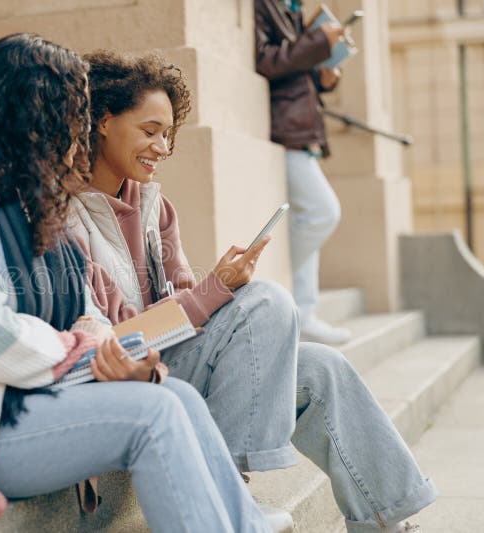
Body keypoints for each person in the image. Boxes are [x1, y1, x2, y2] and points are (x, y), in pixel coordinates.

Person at [0, 33, 270, 533]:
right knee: (153, 416)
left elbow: (89, 311)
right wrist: (85, 352)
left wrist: (114, 356)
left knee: (177, 396)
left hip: (27, 404)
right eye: (70, 119)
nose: (78, 138)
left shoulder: (36, 203)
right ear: (30, 120)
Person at [69, 48, 437, 533]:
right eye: (149, 131)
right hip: (122, 375)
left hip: (166, 359)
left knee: (321, 367)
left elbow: (181, 302)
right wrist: (215, 290)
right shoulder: (67, 215)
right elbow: (109, 336)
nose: (162, 147)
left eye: (167, 135)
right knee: (264, 303)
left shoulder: (155, 206)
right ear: (103, 121)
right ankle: (227, 497)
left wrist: (213, 289)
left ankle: (384, 521)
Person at [254, 0, 352, 344]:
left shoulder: (292, 9)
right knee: (322, 213)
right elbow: (266, 60)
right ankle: (285, 292)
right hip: (287, 131)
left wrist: (323, 76)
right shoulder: (264, 5)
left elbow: (294, 67)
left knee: (311, 219)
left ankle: (305, 312)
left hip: (302, 134)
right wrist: (319, 43)